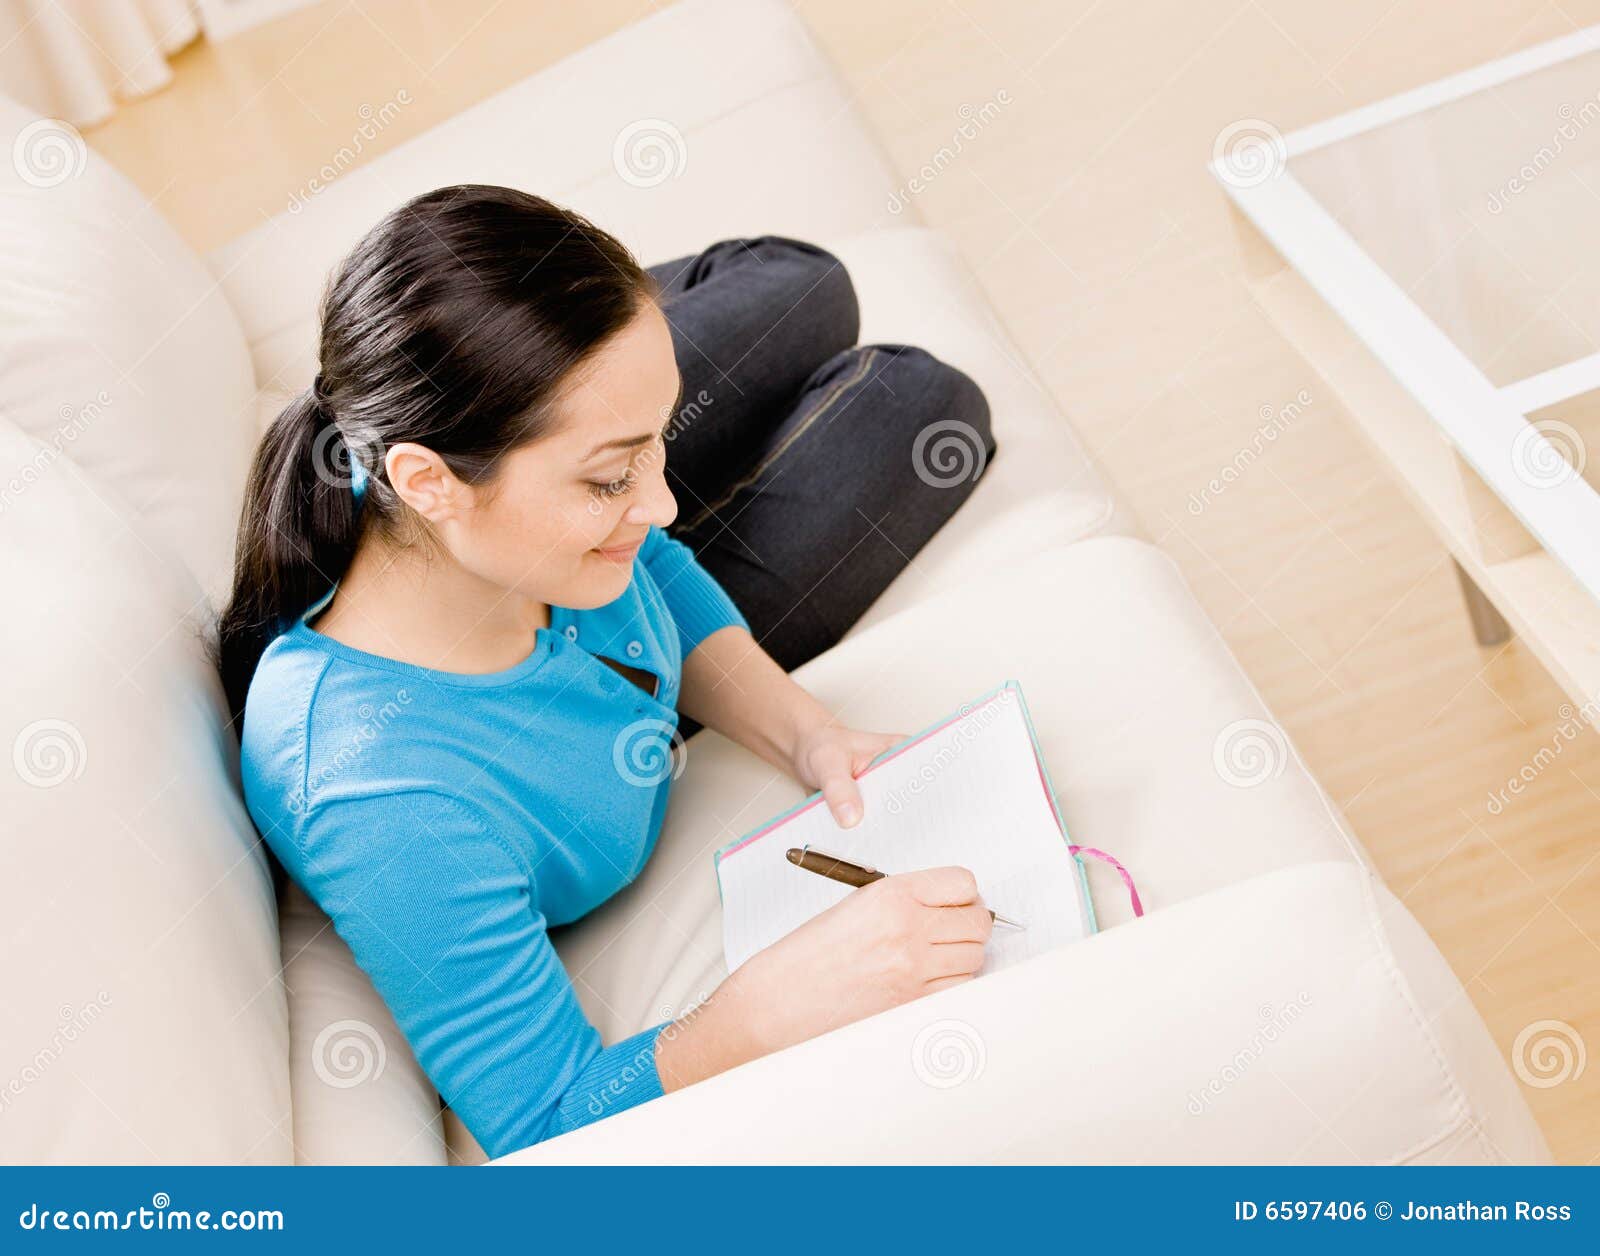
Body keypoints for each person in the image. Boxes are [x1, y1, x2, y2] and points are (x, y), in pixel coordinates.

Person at [217, 185, 998, 1158]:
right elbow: (549, 1122)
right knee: (922, 404)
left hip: (557, 514)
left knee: (806, 284)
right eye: (614, 475)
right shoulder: (383, 800)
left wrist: (809, 730)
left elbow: (657, 559)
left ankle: (602, 405)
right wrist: (763, 1008)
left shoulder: (562, 534)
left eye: (657, 449)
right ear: (427, 482)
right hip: (560, 565)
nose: (664, 507)